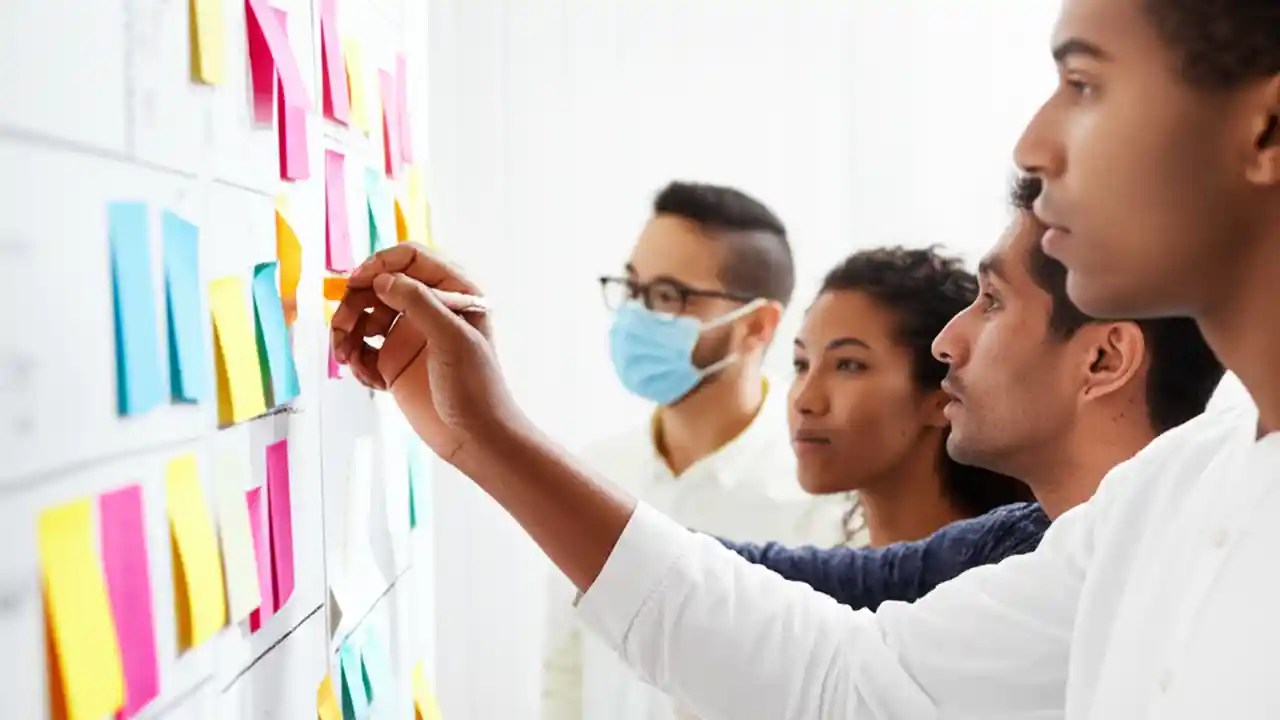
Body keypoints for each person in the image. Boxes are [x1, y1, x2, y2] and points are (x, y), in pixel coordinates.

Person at [330, 0, 1279, 715]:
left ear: (1266, 131)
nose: (1036, 139)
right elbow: (846, 674)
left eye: (1085, 84)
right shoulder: (1174, 487)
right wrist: (486, 437)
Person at [727, 175, 1223, 610]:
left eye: (992, 302)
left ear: (1104, 359)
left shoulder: (1176, 580)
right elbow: (826, 587)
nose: (946, 345)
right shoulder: (1019, 540)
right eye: (799, 363)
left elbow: (846, 665)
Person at [542, 182, 850, 720]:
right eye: (632, 288)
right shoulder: (595, 475)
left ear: (756, 325)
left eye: (666, 297)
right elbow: (565, 677)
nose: (635, 315)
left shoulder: (822, 499)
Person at [788, 246, 1032, 548]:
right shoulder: (822, 579)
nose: (805, 401)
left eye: (849, 365)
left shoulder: (999, 578)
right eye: (801, 364)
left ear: (943, 398)